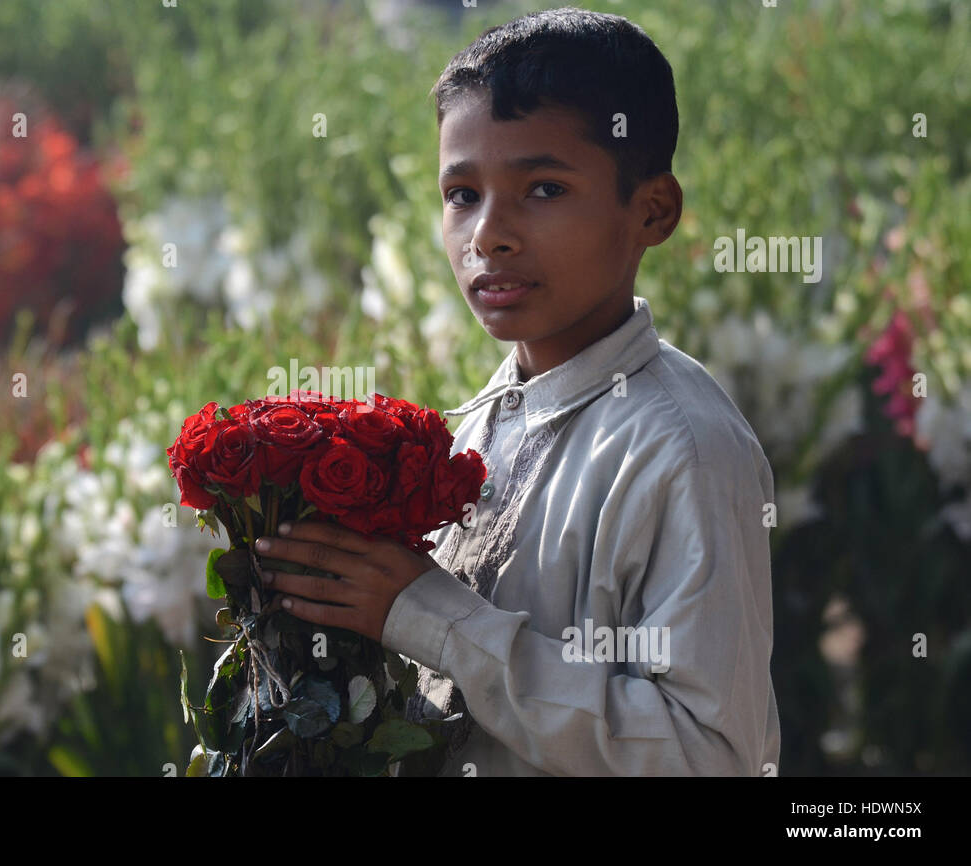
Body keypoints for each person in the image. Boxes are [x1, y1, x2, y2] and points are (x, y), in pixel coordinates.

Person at [253, 7, 780, 776]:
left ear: (652, 210)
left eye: (543, 188)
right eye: (462, 194)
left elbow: (709, 756)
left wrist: (438, 621)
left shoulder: (680, 448)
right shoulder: (481, 424)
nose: (488, 234)